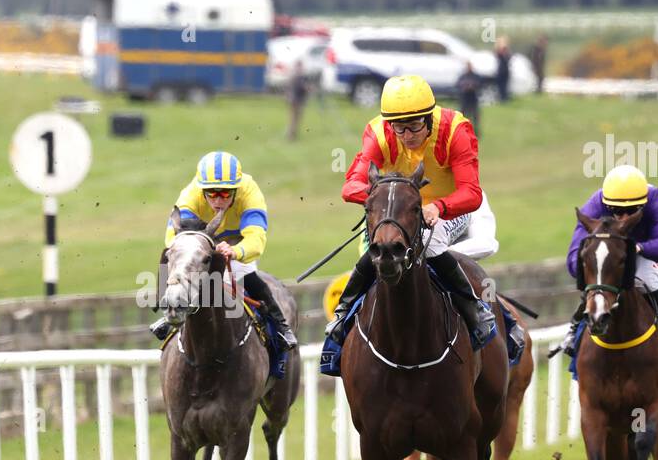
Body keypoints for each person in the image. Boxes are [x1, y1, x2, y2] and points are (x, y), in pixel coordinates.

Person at [325, 74, 497, 348]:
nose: (407, 137)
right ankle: (342, 315)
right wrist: (387, 199)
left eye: (415, 127)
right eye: (399, 129)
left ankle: (475, 310)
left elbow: (471, 193)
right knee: (379, 250)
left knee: (431, 243)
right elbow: (351, 187)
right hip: (400, 210)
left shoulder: (456, 130)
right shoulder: (379, 133)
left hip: (451, 207)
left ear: (429, 118)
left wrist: (438, 207)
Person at [150, 151, 299, 350]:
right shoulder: (190, 195)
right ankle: (168, 310)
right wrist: (196, 252)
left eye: (225, 193)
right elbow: (173, 240)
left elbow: (256, 240)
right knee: (174, 261)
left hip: (235, 242)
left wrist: (235, 251)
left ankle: (280, 326)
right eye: (212, 193)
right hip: (199, 242)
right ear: (202, 190)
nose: (218, 200)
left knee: (245, 274)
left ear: (236, 190)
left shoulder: (250, 193)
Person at [551, 164, 658, 360]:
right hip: (609, 255)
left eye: (633, 210)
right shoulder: (594, 205)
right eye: (617, 211)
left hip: (644, 251)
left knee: (649, 283)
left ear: (643, 204)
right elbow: (572, 261)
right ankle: (574, 331)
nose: (625, 218)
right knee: (597, 286)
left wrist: (638, 248)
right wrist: (591, 260)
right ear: (607, 206)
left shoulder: (654, 199)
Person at [456, 61, 482, 136]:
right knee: (463, 115)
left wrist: (473, 86)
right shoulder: (463, 76)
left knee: (475, 116)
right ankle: (462, 129)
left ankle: (476, 131)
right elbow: (458, 84)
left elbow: (480, 84)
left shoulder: (475, 76)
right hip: (465, 98)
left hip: (473, 98)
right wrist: (465, 86)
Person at [286, 59, 308, 142]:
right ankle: (291, 136)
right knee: (294, 119)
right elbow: (302, 88)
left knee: (295, 119)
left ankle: (292, 135)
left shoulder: (295, 76)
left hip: (295, 101)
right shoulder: (297, 77)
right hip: (296, 101)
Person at [495, 36, 512, 102]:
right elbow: (497, 51)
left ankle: (504, 97)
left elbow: (509, 57)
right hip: (501, 71)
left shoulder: (507, 54)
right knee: (501, 86)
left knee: (504, 85)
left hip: (505, 71)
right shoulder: (500, 54)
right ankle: (502, 98)